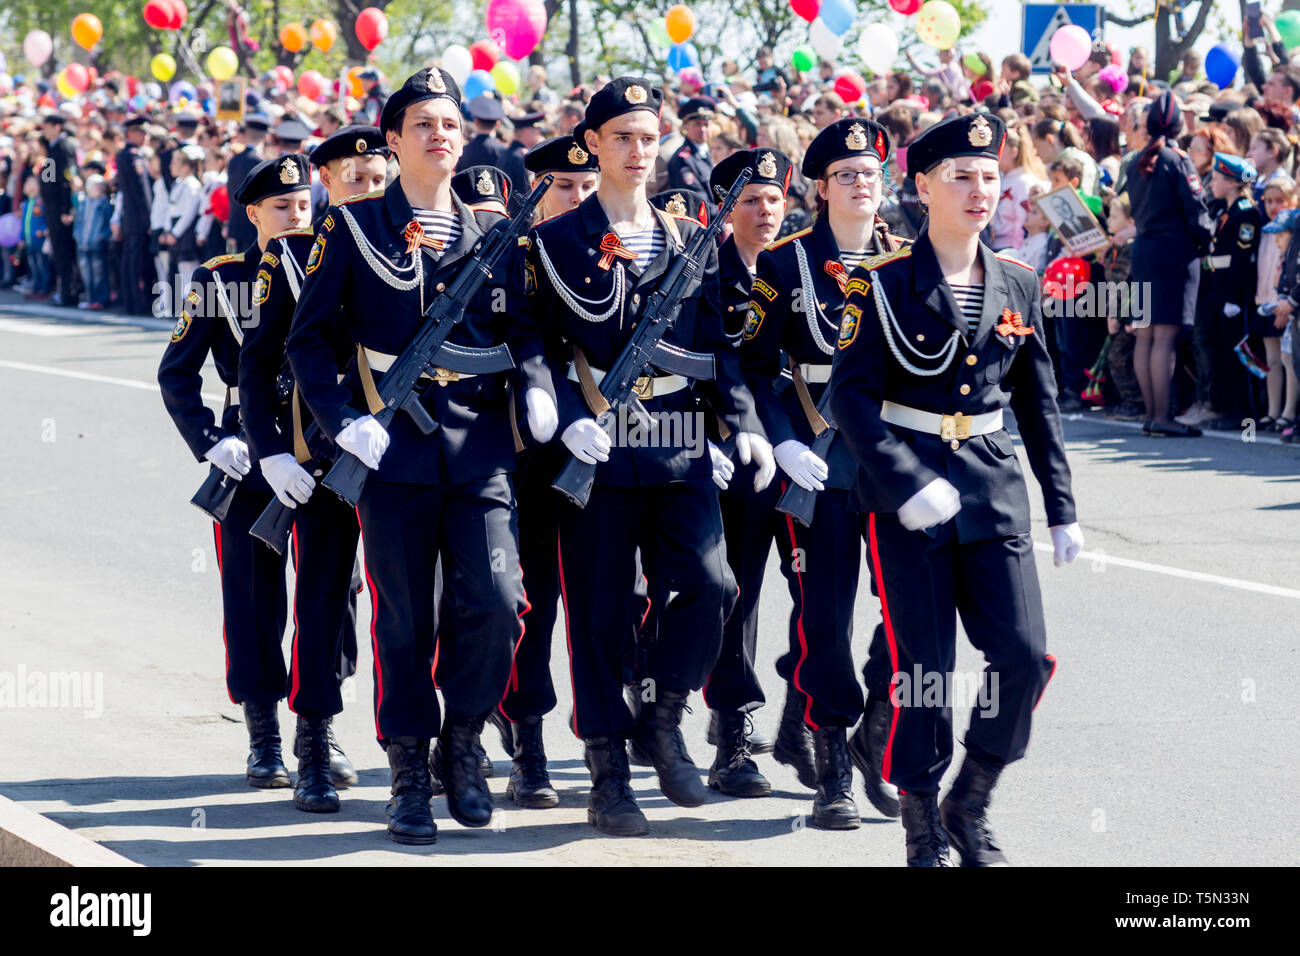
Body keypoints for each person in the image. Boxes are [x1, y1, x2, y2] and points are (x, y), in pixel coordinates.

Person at [286, 68, 541, 845]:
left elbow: (523, 328)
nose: (440, 135)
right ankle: (407, 769)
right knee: (404, 618)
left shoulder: (495, 232)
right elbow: (309, 341)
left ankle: (462, 740)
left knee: (498, 602)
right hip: (392, 450)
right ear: (393, 140)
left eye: (451, 124)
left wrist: (534, 385)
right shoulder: (352, 227)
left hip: (480, 445)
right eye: (422, 124)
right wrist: (341, 419)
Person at [521, 76, 774, 835]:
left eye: (649, 136)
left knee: (712, 585)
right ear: (592, 143)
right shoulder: (553, 241)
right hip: (598, 444)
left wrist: (744, 423)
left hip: (678, 440)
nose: (638, 150)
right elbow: (532, 340)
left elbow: (719, 347)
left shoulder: (693, 238)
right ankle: (606, 774)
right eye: (623, 136)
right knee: (600, 615)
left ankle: (663, 712)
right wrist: (560, 412)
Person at [830, 111, 1084, 866]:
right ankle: (920, 820)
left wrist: (1063, 508)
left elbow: (1039, 404)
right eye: (960, 177)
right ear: (923, 187)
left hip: (993, 485)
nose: (979, 190)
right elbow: (850, 397)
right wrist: (903, 479)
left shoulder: (1017, 282)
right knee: (926, 670)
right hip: (908, 497)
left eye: (987, 175)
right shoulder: (878, 284)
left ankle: (969, 799)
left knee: (1024, 657)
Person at [740, 118, 907, 829]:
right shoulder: (785, 263)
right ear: (821, 187)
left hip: (895, 458)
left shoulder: (910, 259)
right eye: (846, 174)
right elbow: (752, 366)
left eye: (870, 173)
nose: (861, 184)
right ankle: (833, 757)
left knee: (907, 617)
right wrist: (779, 440)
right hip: (819, 457)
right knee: (825, 615)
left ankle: (877, 723)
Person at [237, 129, 390, 814]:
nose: (363, 183)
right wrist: (270, 449)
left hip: (411, 455)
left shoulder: (421, 246)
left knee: (417, 605)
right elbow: (258, 360)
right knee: (324, 599)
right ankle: (313, 739)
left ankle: (432, 744)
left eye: (373, 172)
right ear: (326, 181)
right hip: (329, 459)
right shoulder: (295, 255)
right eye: (349, 176)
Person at [157, 154, 314, 794]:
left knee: (330, 596)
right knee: (252, 599)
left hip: (321, 451)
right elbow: (177, 371)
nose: (296, 217)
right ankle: (264, 734)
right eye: (282, 208)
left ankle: (317, 727)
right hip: (250, 454)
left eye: (305, 205)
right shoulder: (223, 280)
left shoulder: (336, 266)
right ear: (251, 214)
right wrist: (210, 440)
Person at [486, 133, 601, 811]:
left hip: (599, 453)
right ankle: (528, 746)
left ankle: (606, 740)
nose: (579, 200)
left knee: (601, 607)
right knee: (531, 605)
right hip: (524, 457)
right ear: (535, 197)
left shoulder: (618, 253)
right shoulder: (514, 259)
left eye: (589, 189)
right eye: (564, 187)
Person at [697, 148, 796, 800]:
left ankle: (810, 721)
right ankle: (732, 728)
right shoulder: (708, 273)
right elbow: (700, 363)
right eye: (751, 200)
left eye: (774, 199)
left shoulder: (801, 269)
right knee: (738, 592)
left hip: (805, 451)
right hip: (732, 453)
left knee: (821, 594)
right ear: (726, 211)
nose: (765, 211)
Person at [1124, 91, 1214, 436]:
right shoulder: (1177, 159)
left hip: (1144, 250)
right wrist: (1206, 242)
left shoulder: (1135, 159)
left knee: (1145, 335)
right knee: (1164, 337)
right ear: (1178, 126)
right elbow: (1196, 211)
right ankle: (1163, 418)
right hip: (1173, 253)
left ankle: (1151, 416)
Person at [1192, 154, 1263, 432]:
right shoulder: (1225, 211)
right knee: (1224, 353)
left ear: (1233, 183)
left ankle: (1246, 414)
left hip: (1236, 294)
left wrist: (1233, 299)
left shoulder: (1245, 213)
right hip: (1219, 289)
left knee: (1239, 354)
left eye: (1218, 179)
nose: (1213, 184)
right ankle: (1231, 409)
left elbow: (1242, 260)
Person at [114, 115, 154, 314]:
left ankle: (131, 302)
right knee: (135, 262)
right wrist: (148, 216)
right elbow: (141, 190)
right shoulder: (132, 156)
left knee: (130, 260)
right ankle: (137, 303)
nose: (145, 136)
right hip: (138, 217)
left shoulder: (125, 154)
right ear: (132, 133)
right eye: (142, 132)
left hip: (130, 216)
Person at [38, 112, 78, 306]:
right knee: (58, 251)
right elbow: (50, 177)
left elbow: (67, 180)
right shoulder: (52, 148)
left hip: (60, 209)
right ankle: (63, 291)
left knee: (65, 251)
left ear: (57, 127)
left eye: (47, 126)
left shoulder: (64, 147)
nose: (44, 130)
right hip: (52, 208)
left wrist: (66, 209)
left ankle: (69, 292)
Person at [225, 112, 269, 251]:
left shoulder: (234, 159)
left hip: (237, 223)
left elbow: (231, 193)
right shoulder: (262, 161)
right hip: (255, 225)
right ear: (264, 135)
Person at [665, 97, 716, 190]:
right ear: (685, 126)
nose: (703, 129)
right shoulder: (683, 160)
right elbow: (696, 198)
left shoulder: (709, 152)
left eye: (706, 124)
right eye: (697, 124)